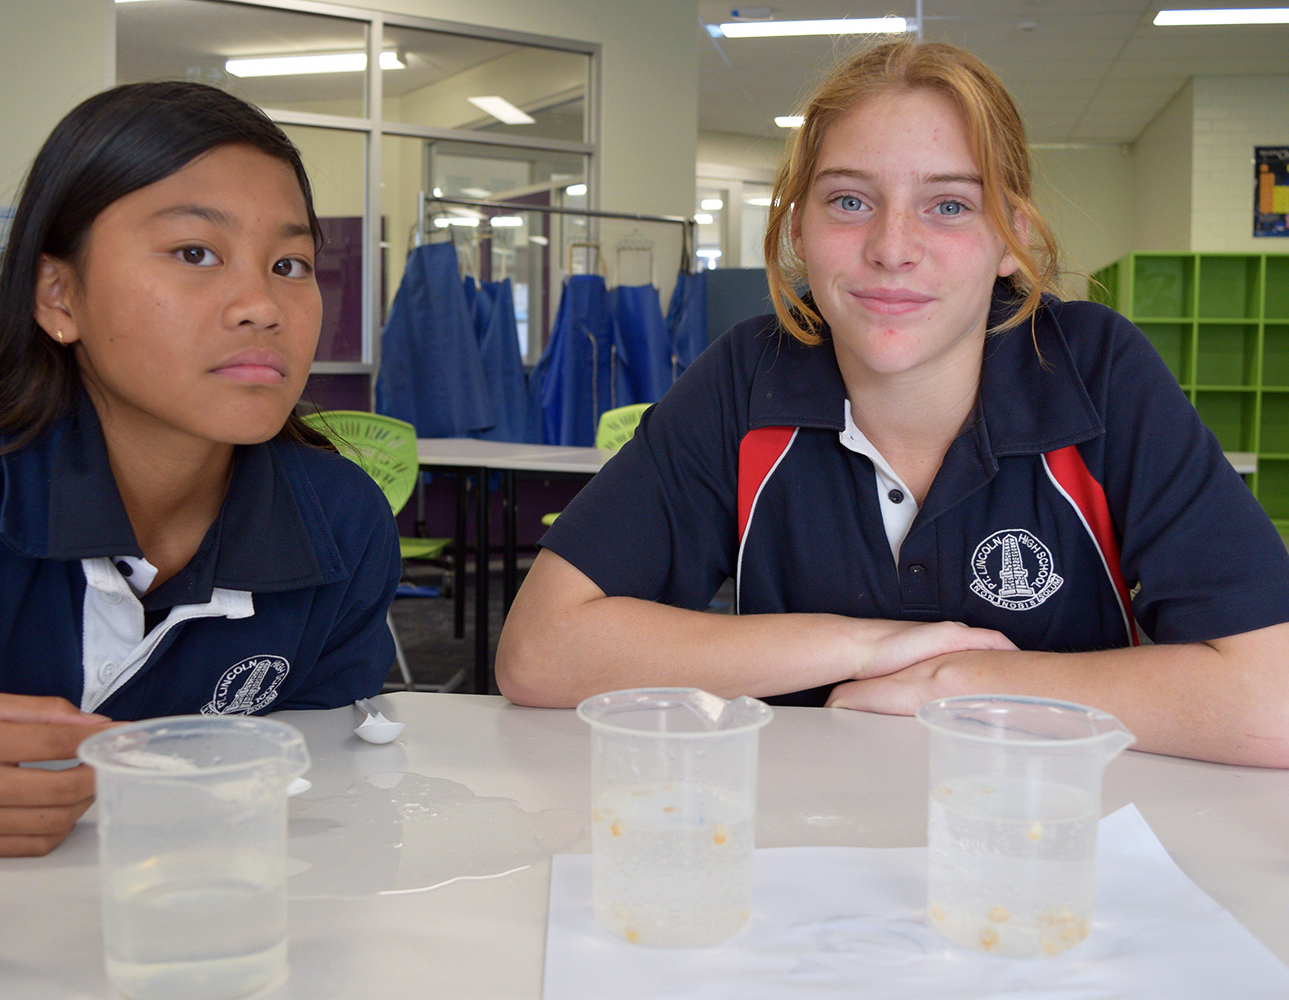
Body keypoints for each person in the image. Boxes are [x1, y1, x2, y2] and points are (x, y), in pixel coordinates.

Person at [496, 40, 1289, 768]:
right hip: (806, 848)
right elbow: (540, 652)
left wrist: (956, 687)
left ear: (1011, 235)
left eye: (948, 204)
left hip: (1048, 842)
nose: (892, 245)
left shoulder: (1094, 372)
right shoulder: (748, 376)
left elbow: (1272, 701)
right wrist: (867, 647)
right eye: (849, 201)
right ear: (798, 228)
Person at [0, 82, 401, 856]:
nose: (262, 305)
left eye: (290, 263)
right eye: (194, 253)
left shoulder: (340, 521)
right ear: (58, 295)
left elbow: (333, 774)